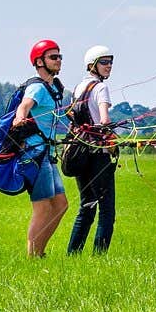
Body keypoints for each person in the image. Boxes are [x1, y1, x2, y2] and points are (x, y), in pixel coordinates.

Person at [15, 39, 68, 257]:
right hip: (34, 153)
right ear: (39, 61)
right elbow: (25, 106)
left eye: (59, 57)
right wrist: (20, 118)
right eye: (53, 57)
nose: (58, 61)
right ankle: (32, 256)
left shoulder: (53, 88)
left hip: (46, 153)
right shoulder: (37, 87)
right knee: (43, 207)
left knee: (61, 205)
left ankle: (39, 252)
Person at [65, 45, 119, 255]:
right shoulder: (101, 88)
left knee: (87, 205)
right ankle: (99, 257)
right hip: (98, 155)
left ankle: (72, 254)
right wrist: (111, 133)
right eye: (104, 62)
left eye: (110, 62)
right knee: (106, 209)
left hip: (80, 152)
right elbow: (104, 120)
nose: (109, 66)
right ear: (92, 65)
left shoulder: (79, 87)